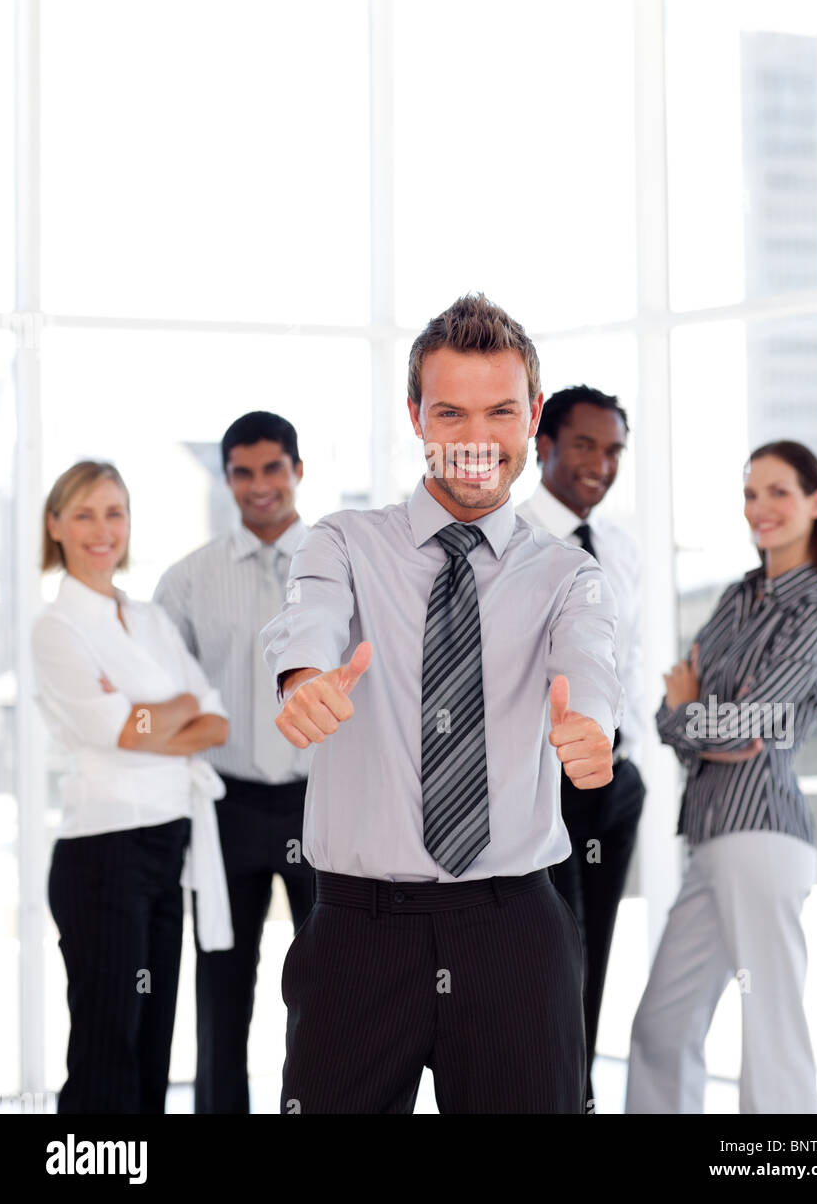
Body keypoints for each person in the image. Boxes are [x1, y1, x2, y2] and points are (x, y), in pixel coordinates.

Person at [261, 293, 624, 1115]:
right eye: (449, 411)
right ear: (415, 415)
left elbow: (590, 665)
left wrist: (591, 729)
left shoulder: (568, 576)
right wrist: (302, 680)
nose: (474, 439)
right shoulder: (344, 542)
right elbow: (306, 620)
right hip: (357, 934)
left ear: (532, 415)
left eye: (499, 410)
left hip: (511, 930)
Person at [625, 440, 817, 1115]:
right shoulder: (736, 596)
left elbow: (757, 726)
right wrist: (695, 718)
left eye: (778, 492)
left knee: (771, 1034)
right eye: (752, 493)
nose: (761, 508)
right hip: (709, 841)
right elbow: (673, 715)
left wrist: (693, 716)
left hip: (764, 838)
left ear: (816, 503)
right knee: (662, 1029)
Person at [32, 460, 231, 1114]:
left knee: (151, 1041)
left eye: (113, 512)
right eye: (84, 513)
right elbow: (119, 729)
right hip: (103, 856)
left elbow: (214, 718)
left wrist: (151, 716)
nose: (101, 529)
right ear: (55, 525)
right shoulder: (56, 629)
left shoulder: (148, 619)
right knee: (106, 1044)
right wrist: (167, 710)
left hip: (166, 844)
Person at [154, 411, 314, 1114]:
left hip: (322, 805)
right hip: (228, 807)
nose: (259, 487)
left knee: (329, 987)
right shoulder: (187, 582)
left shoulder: (341, 568)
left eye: (272, 469)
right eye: (243, 473)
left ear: (297, 471)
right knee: (222, 985)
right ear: (227, 479)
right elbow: (159, 693)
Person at [517, 385, 647, 1097]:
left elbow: (624, 664)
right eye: (585, 445)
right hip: (541, 781)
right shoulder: (510, 540)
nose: (600, 463)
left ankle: (580, 1095)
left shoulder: (620, 548)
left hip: (612, 783)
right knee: (551, 958)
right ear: (544, 446)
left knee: (595, 956)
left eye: (613, 449)